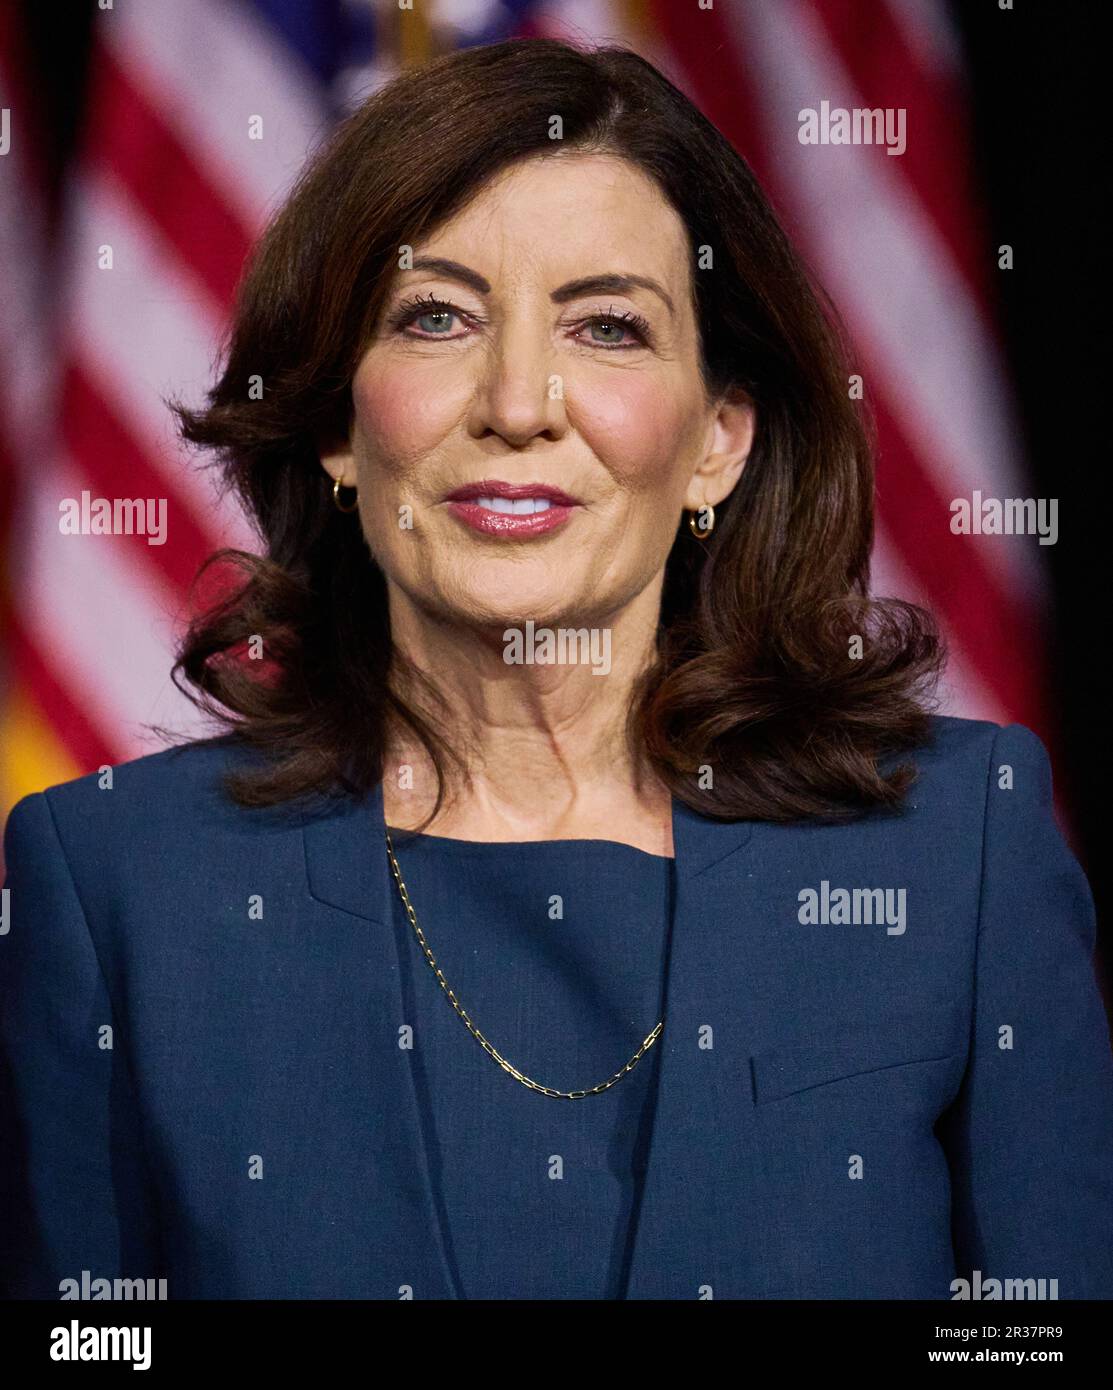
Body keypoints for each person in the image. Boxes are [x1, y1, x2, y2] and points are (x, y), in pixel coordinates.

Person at [3, 37, 1111, 1301]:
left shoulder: (954, 851)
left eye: (608, 327)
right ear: (337, 427)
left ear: (718, 441)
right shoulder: (117, 887)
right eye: (437, 317)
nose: (520, 401)